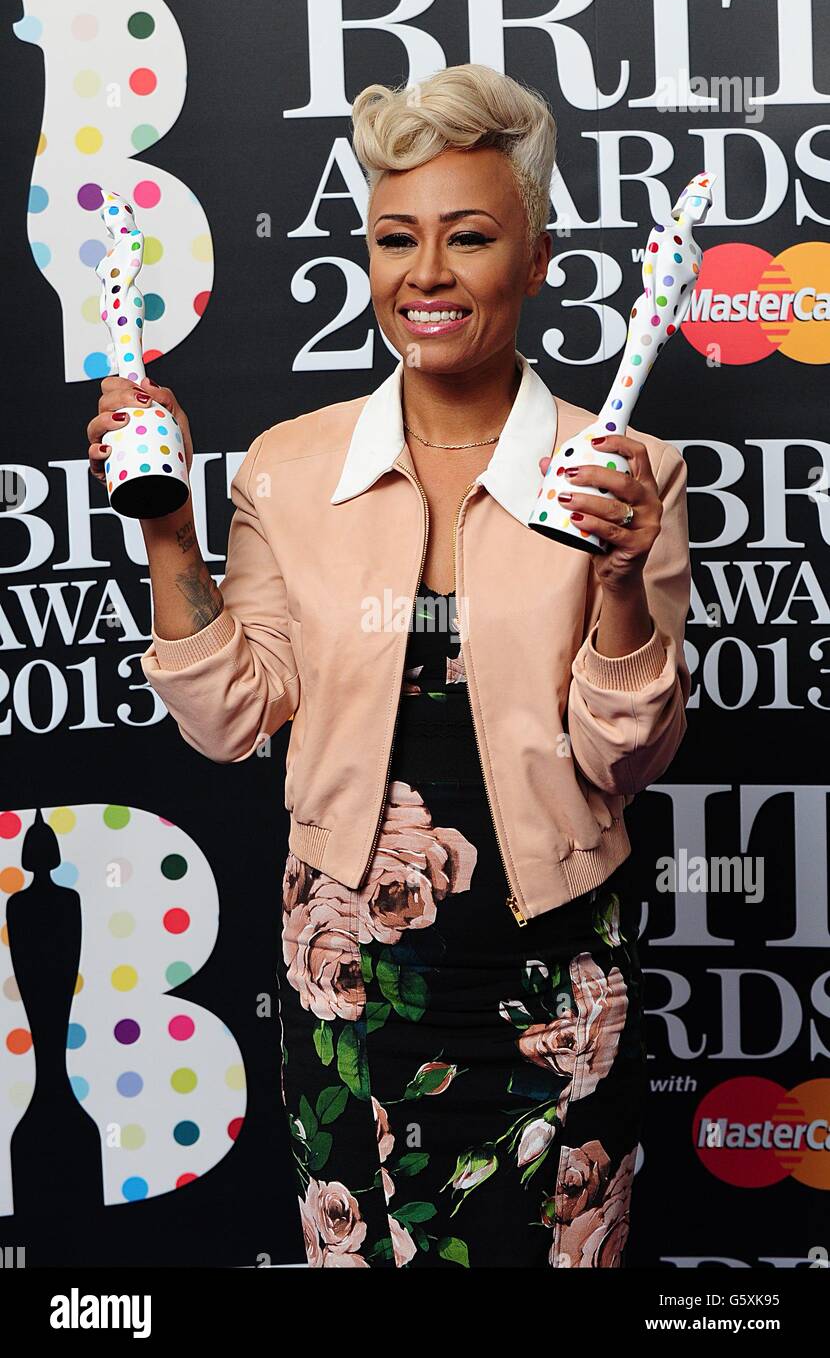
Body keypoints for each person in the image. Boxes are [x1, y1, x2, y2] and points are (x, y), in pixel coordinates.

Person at [87, 63, 691, 1268]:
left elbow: (624, 753)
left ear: (536, 257)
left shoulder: (623, 471)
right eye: (393, 239)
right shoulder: (288, 467)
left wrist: (619, 578)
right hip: (346, 973)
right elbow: (230, 717)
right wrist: (164, 526)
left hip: (559, 969)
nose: (424, 275)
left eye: (467, 237)